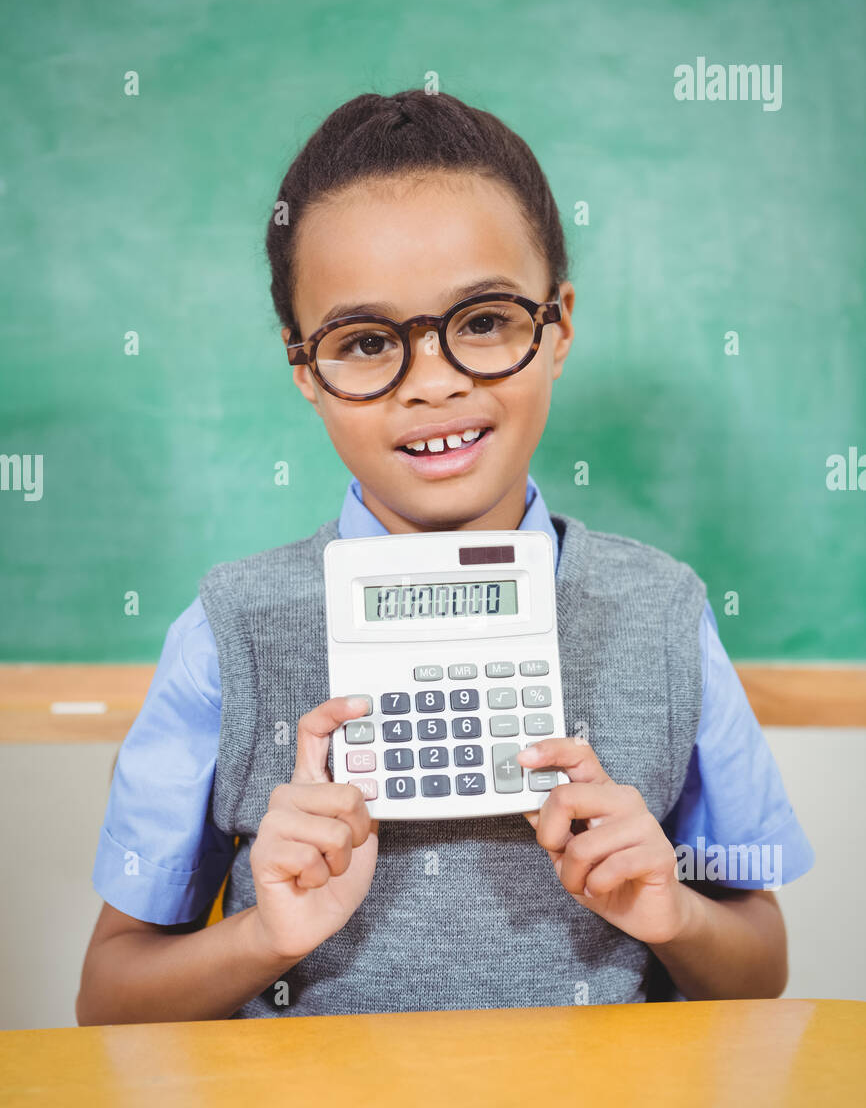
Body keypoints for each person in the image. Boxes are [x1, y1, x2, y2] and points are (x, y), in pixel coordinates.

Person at [77, 89, 813, 1024]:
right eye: (367, 341)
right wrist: (264, 937)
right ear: (305, 369)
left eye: (483, 321)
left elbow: (761, 964)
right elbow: (107, 999)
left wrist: (674, 916)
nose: (433, 385)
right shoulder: (231, 634)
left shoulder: (663, 612)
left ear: (559, 325)